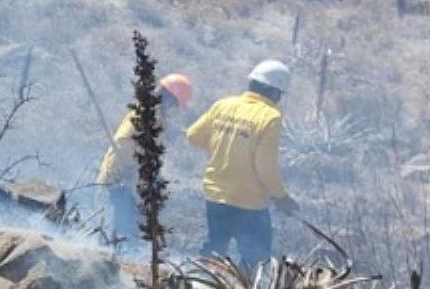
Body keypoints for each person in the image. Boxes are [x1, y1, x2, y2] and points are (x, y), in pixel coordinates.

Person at [185, 59, 299, 268]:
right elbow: (265, 167)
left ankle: (198, 288)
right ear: (275, 92)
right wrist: (281, 197)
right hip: (248, 202)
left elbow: (193, 135)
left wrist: (225, 149)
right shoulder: (270, 116)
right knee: (255, 258)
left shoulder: (223, 105)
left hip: (215, 193)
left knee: (215, 249)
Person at [96, 73, 193, 246]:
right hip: (120, 174)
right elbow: (125, 143)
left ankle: (111, 253)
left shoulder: (153, 113)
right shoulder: (150, 115)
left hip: (126, 174)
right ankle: (112, 259)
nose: (175, 109)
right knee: (126, 226)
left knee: (126, 222)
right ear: (169, 99)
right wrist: (127, 169)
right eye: (175, 105)